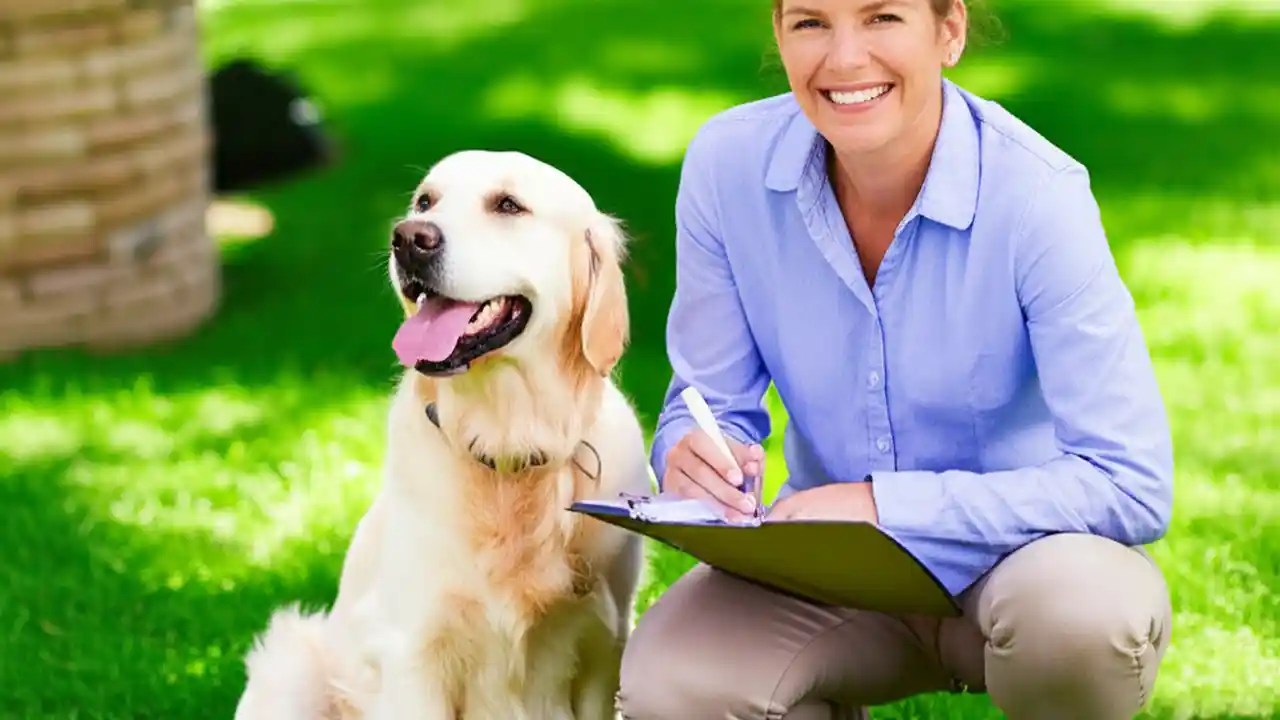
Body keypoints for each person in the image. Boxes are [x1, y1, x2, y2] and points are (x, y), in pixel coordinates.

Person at [615, 0, 1175, 718]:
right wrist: (695, 454)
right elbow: (708, 402)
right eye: (810, 22)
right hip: (834, 575)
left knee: (1083, 624)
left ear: (950, 31)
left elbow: (1129, 479)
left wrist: (882, 506)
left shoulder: (1037, 197)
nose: (844, 59)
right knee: (672, 684)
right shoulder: (728, 167)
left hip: (1028, 564)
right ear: (779, 35)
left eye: (882, 18)